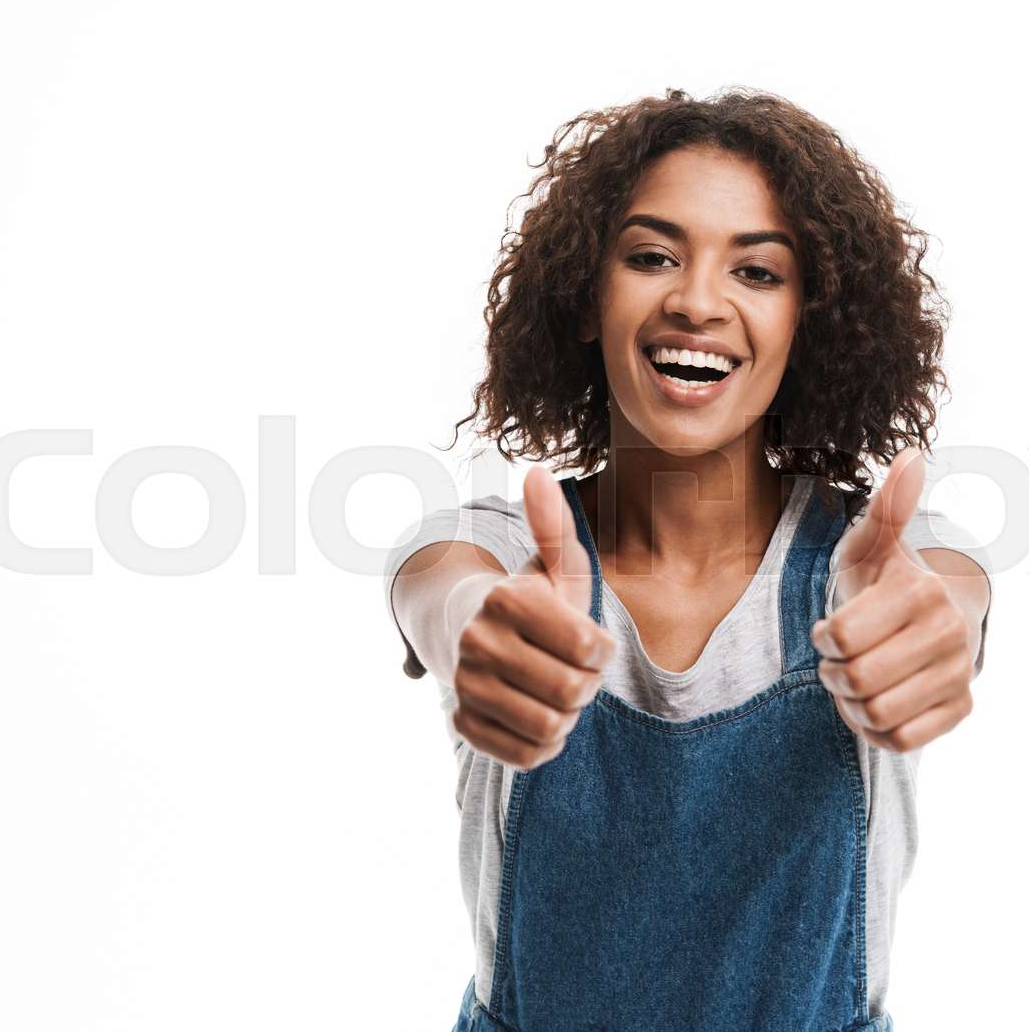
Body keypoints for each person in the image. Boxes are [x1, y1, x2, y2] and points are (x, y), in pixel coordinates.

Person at [384, 87, 993, 1031]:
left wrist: (934, 631)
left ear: (810, 321)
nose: (697, 300)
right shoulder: (504, 554)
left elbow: (950, 597)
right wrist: (479, 631)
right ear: (586, 298)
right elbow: (440, 589)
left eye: (757, 271)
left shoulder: (881, 567)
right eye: (652, 256)